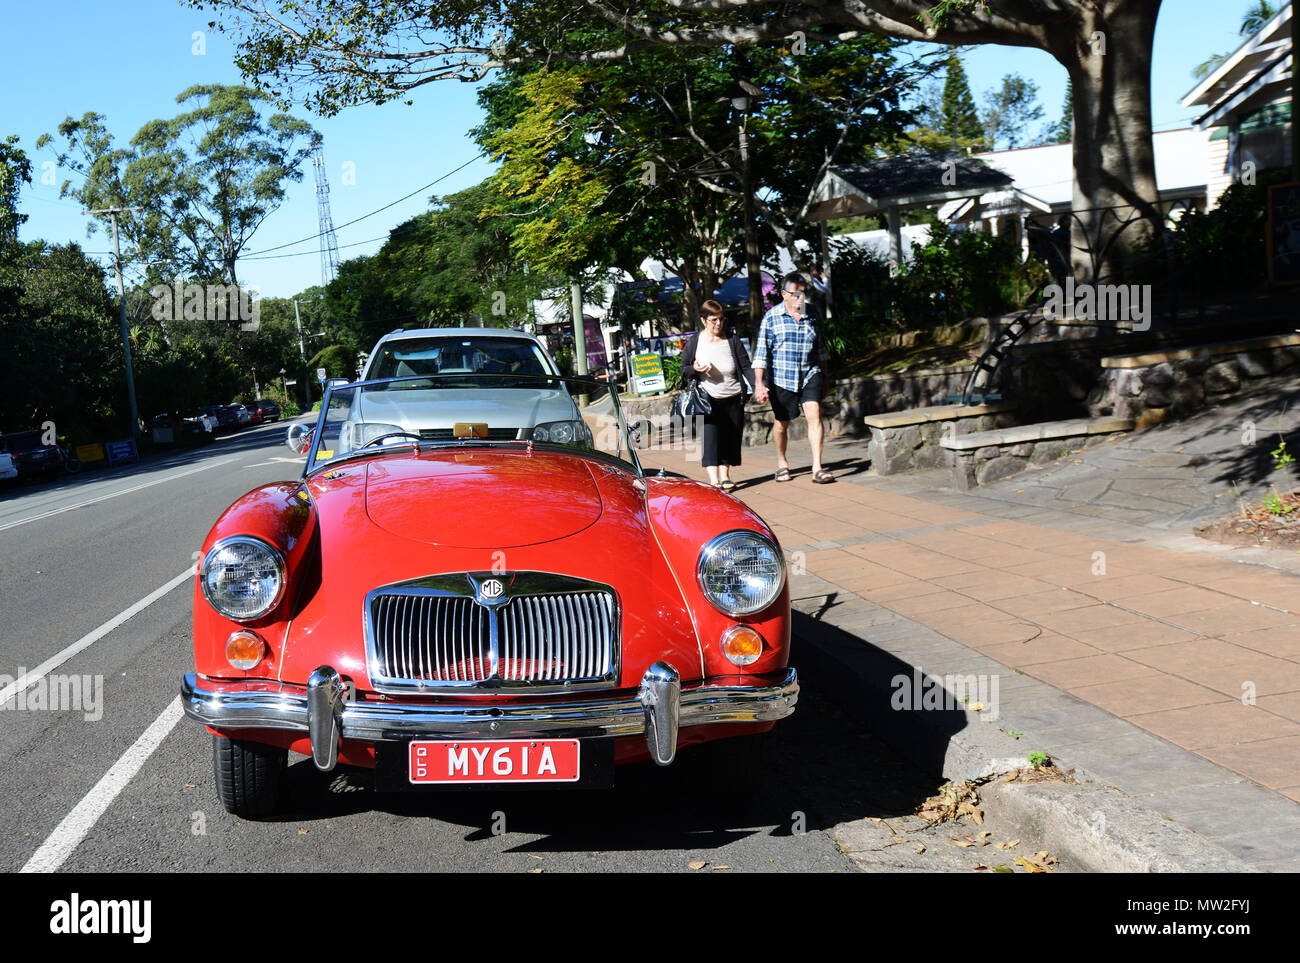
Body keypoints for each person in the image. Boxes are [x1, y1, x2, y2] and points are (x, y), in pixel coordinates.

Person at [752, 272, 834, 484]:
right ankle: (782, 463)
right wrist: (759, 384)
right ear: (784, 294)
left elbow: (821, 348)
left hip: (810, 373)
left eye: (803, 294)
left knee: (814, 415)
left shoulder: (813, 314)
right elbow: (761, 353)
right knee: (782, 423)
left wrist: (825, 378)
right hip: (782, 378)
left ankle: (817, 467)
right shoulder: (771, 318)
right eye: (796, 294)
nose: (801, 299)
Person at [678, 299, 753, 491]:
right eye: (713, 320)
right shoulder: (695, 342)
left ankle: (725, 475)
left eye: (721, 319)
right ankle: (714, 479)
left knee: (730, 437)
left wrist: (757, 385)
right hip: (707, 397)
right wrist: (694, 369)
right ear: (704, 320)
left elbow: (745, 366)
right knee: (710, 436)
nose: (718, 323)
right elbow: (684, 368)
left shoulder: (732, 339)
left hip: (733, 395)